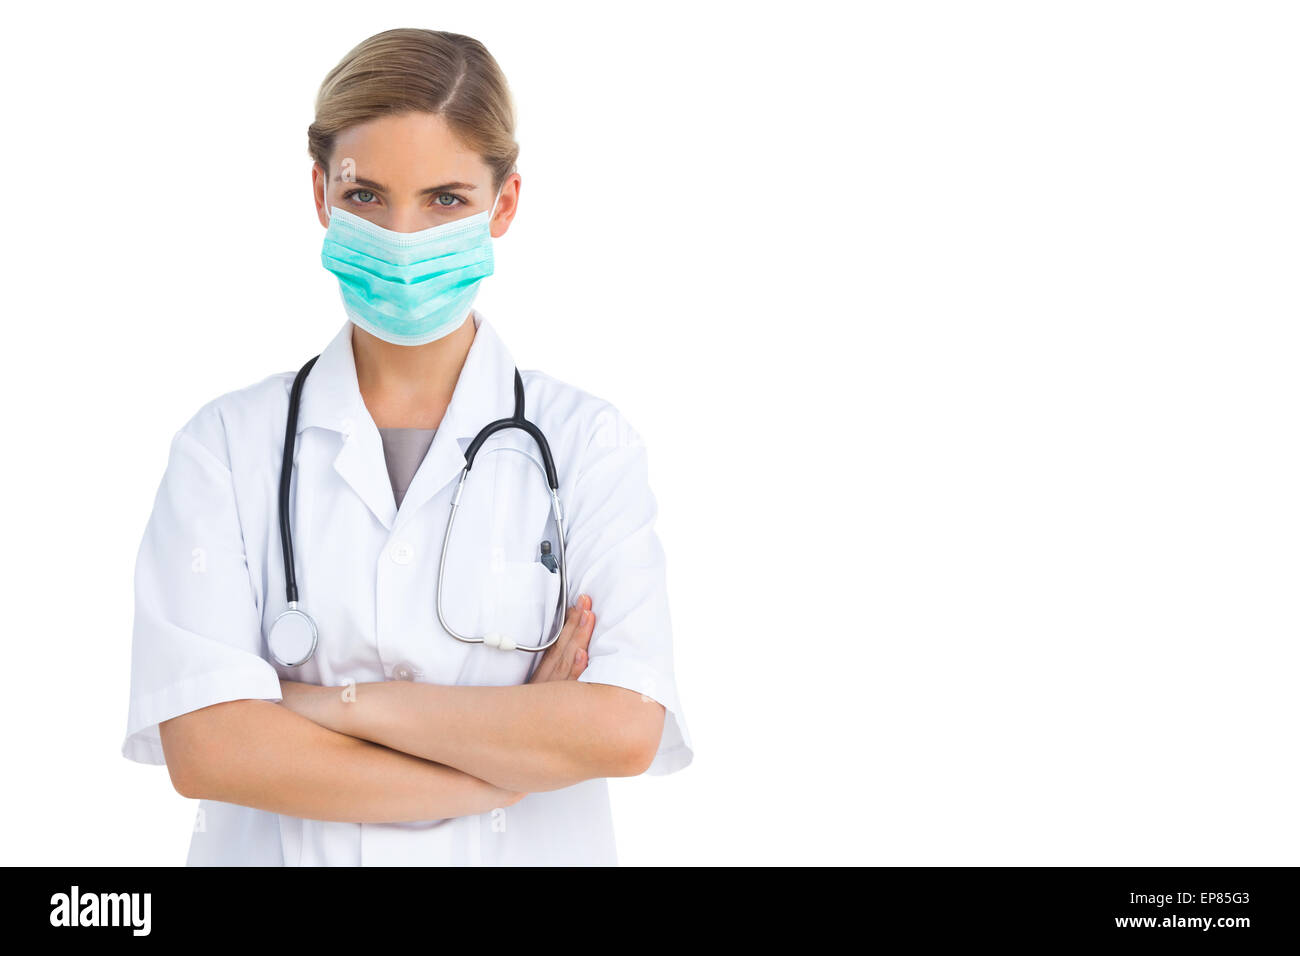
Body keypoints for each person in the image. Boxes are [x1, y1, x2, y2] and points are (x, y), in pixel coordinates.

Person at [121, 27, 693, 866]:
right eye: (365, 198)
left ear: (504, 205)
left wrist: (331, 706)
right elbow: (210, 751)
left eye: (446, 199)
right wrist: (503, 768)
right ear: (320, 194)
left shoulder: (587, 447)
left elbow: (620, 728)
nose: (401, 236)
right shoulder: (224, 449)